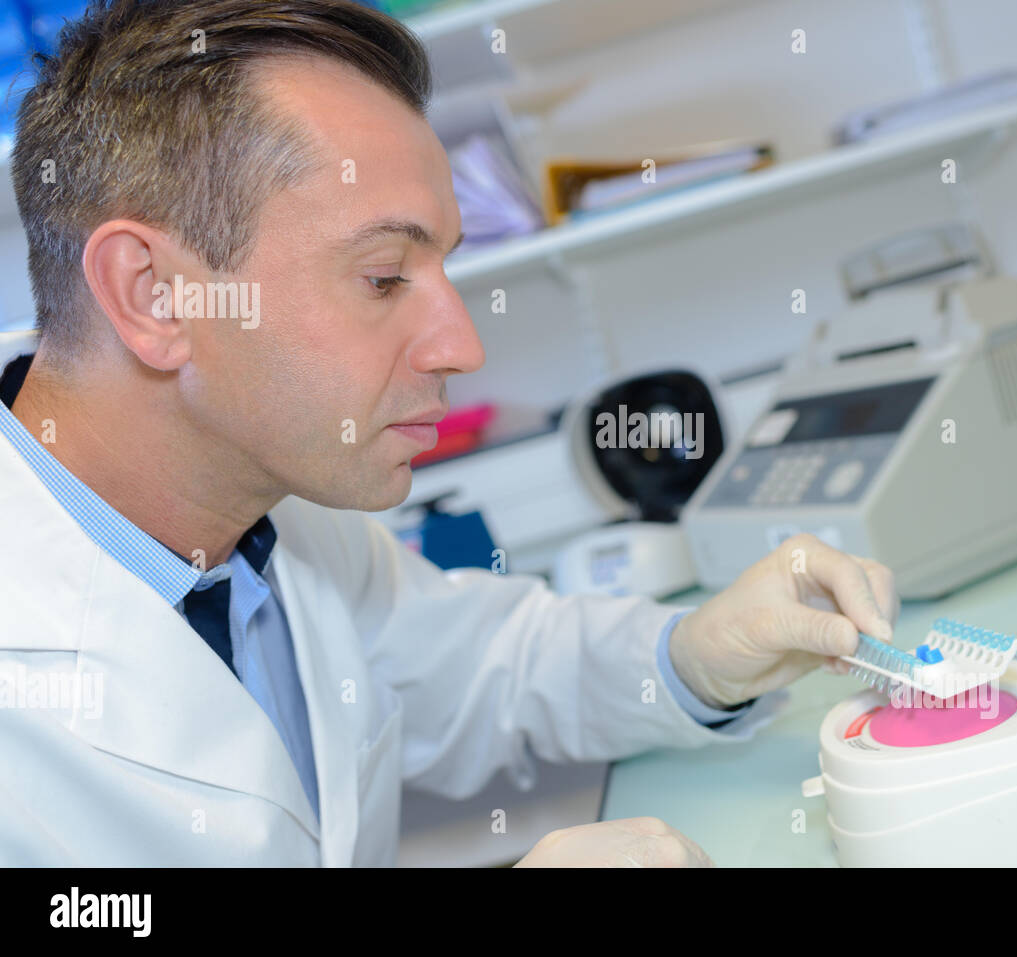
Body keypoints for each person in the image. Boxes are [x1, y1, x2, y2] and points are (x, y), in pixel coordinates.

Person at [0, 0, 897, 866]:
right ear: (154, 294)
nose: (461, 345)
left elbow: (482, 666)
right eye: (385, 277)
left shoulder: (277, 516)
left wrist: (694, 654)